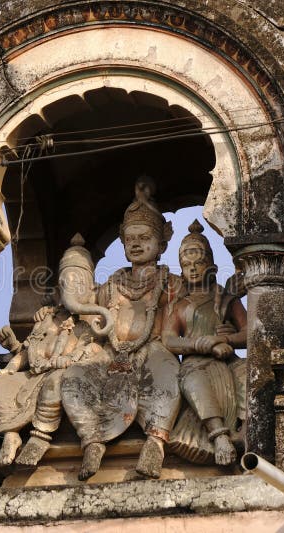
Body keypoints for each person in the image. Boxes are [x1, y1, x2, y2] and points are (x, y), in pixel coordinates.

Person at [61, 178, 182, 480]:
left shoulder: (172, 283)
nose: (137, 244)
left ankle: (155, 441)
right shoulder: (110, 285)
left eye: (145, 238)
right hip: (109, 352)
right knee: (73, 378)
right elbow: (84, 313)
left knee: (168, 372)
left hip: (152, 349)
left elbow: (187, 318)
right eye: (130, 240)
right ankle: (92, 439)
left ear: (162, 244)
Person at [0, 235, 112, 468]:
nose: (70, 290)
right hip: (34, 376)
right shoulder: (47, 320)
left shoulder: (93, 320)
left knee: (57, 381)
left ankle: (40, 436)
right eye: (65, 285)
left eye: (78, 284)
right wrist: (10, 364)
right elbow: (28, 351)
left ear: (91, 288)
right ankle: (11, 433)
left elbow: (98, 352)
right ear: (58, 291)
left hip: (68, 374)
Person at [163, 220, 247, 466]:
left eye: (198, 263)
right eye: (186, 265)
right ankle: (219, 435)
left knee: (250, 374)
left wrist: (224, 338)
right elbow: (169, 339)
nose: (192, 269)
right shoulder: (178, 304)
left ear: (210, 266)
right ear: (180, 270)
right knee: (192, 381)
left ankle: (246, 430)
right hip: (195, 361)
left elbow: (250, 332)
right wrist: (202, 344)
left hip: (227, 358)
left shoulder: (225, 298)